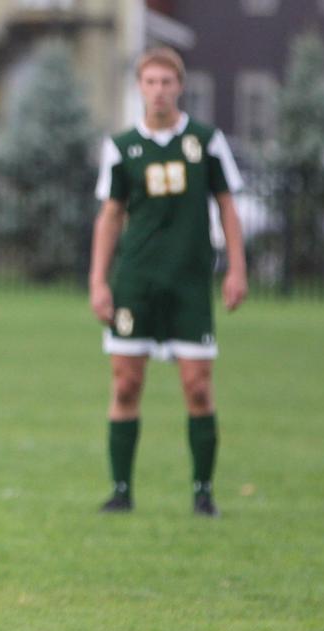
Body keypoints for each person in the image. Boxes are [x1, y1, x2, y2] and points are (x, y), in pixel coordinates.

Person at [89, 46, 248, 518]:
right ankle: (121, 491)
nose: (158, 91)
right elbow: (110, 215)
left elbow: (227, 206)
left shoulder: (205, 141)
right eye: (150, 82)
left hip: (189, 283)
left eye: (166, 82)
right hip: (135, 281)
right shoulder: (121, 147)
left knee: (198, 387)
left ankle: (203, 493)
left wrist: (237, 269)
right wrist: (99, 280)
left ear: (180, 87)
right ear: (139, 88)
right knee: (125, 385)